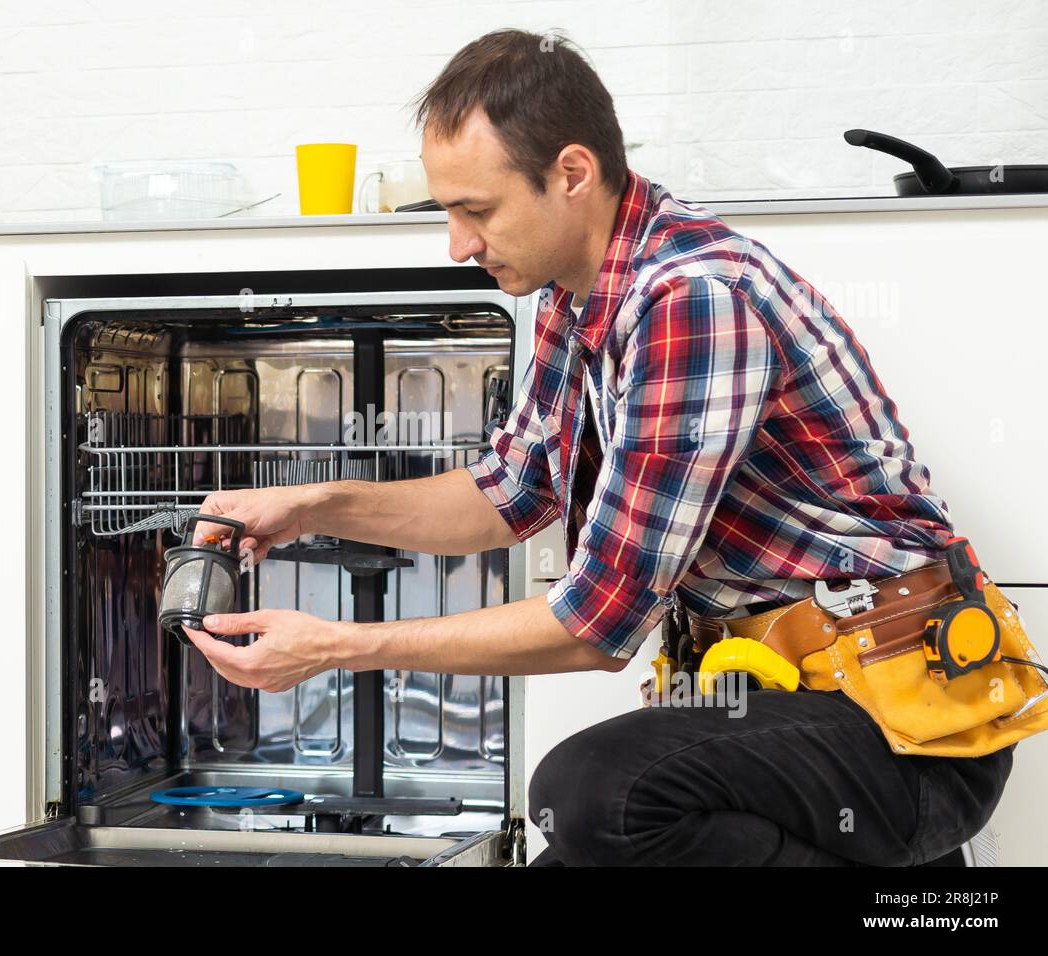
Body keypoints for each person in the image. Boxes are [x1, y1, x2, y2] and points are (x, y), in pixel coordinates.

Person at [182, 28, 1013, 866]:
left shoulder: (693, 299)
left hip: (903, 726)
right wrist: (316, 506)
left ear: (572, 174)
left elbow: (596, 627)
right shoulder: (573, 297)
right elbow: (512, 493)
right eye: (449, 213)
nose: (458, 245)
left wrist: (339, 649)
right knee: (582, 827)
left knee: (593, 795)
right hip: (768, 696)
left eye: (478, 210)